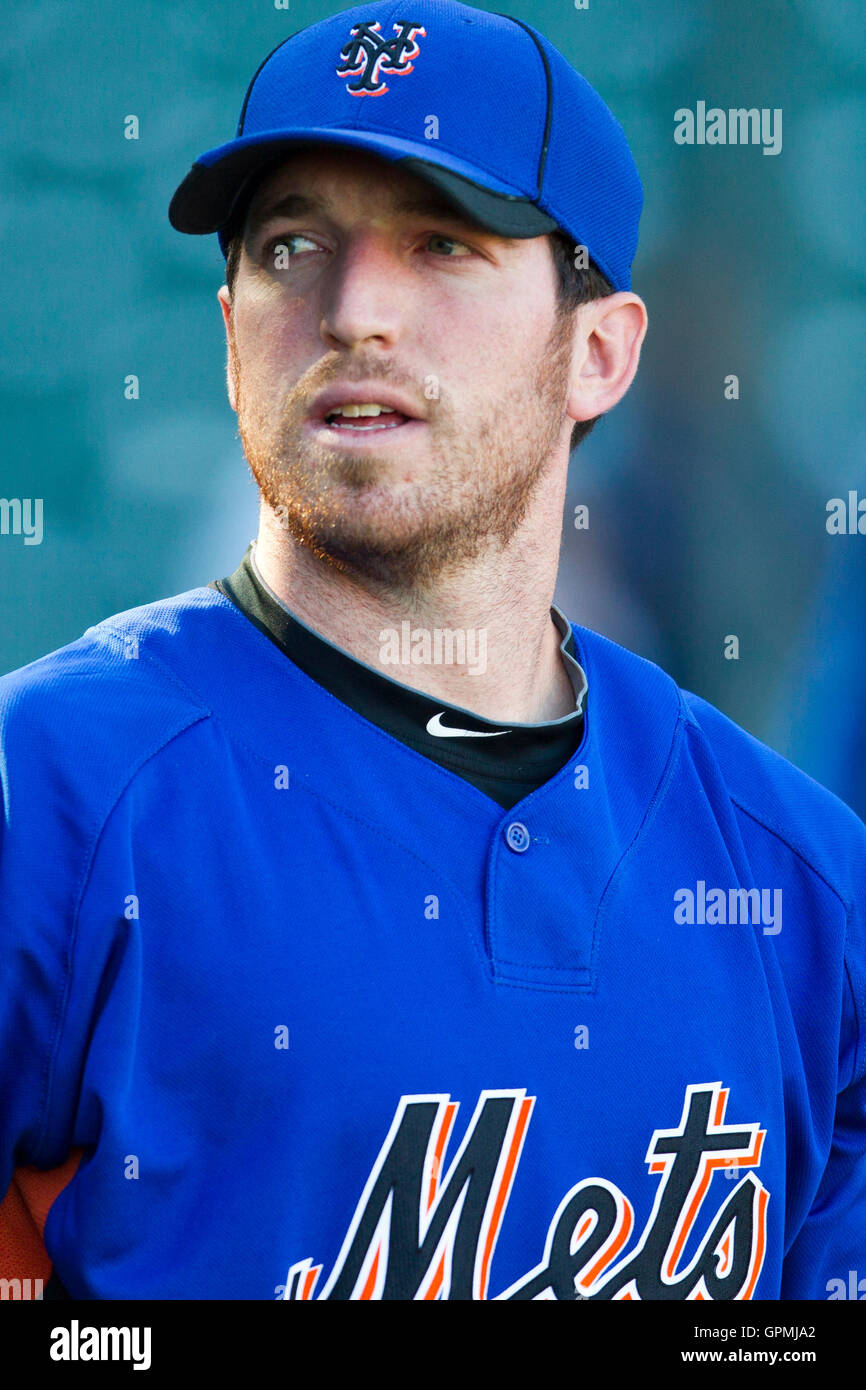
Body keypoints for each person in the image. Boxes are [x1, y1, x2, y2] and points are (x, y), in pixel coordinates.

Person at [0, 0, 863, 1302]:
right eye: (292, 246)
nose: (352, 310)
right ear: (229, 329)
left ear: (598, 352)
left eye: (442, 244)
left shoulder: (798, 876)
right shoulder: (47, 793)